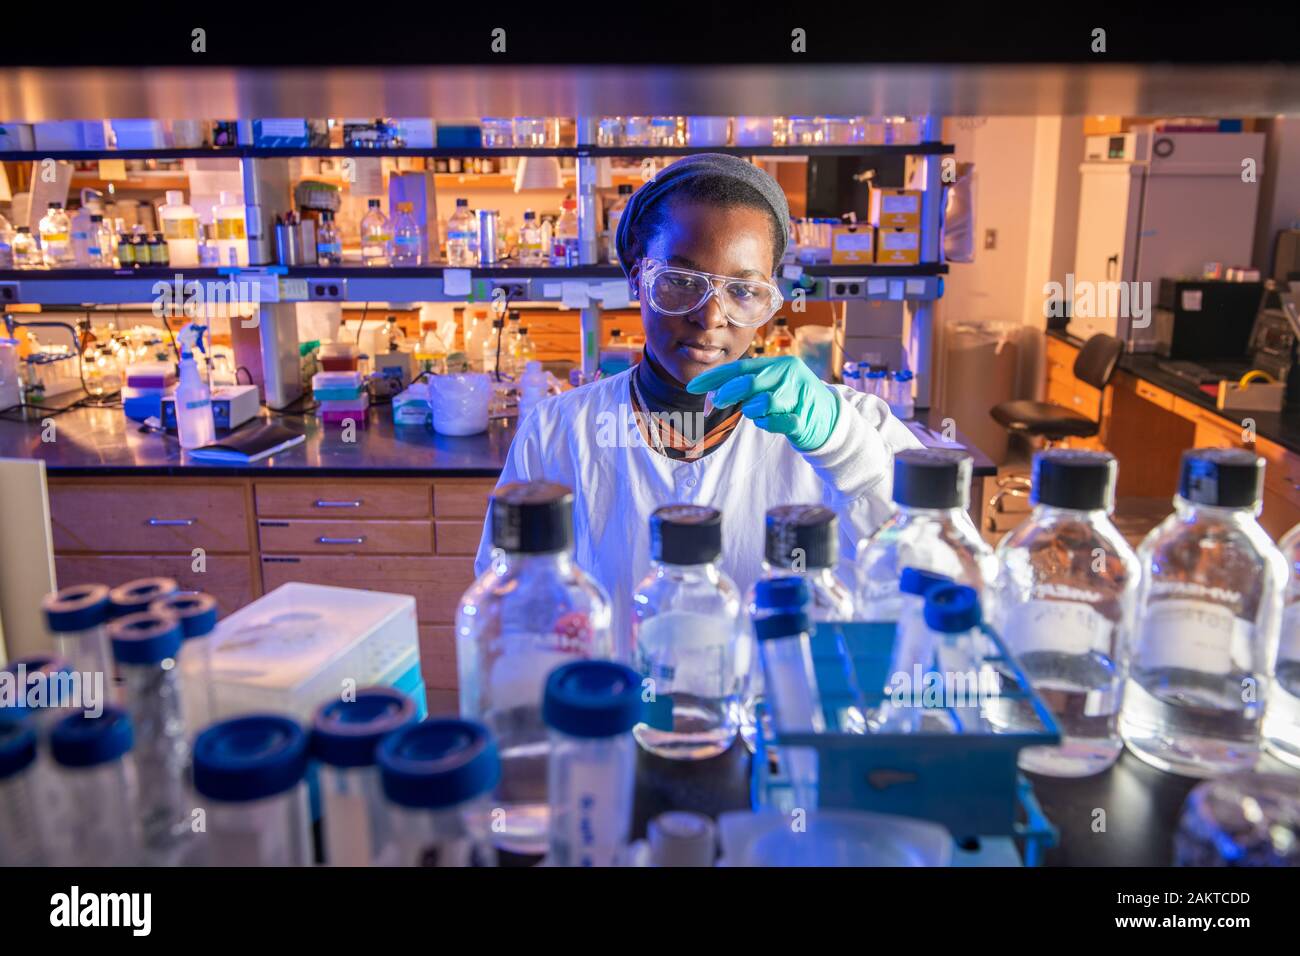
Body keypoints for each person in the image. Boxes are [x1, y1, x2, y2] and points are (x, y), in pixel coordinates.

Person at [474, 153, 922, 641]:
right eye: (681, 282)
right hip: (617, 714)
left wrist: (846, 453)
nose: (711, 318)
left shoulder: (851, 425)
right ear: (636, 278)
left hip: (776, 713)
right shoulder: (558, 431)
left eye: (744, 291)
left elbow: (947, 587)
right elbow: (504, 611)